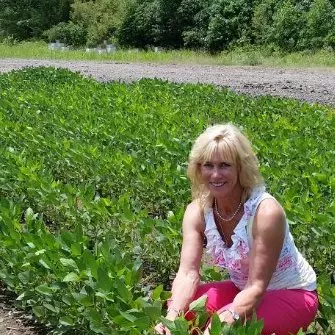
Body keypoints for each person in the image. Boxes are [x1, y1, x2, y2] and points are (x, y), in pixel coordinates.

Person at [155, 124, 318, 335]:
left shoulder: (265, 212)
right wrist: (172, 317)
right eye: (208, 165)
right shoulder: (197, 211)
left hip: (291, 293)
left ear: (241, 168)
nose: (215, 174)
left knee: (225, 329)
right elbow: (187, 273)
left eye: (224, 165)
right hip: (242, 289)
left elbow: (257, 287)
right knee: (182, 311)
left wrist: (228, 317)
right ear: (198, 168)